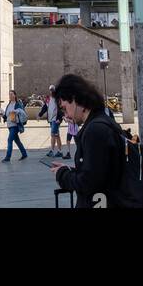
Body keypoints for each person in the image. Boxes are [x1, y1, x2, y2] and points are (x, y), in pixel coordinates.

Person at [51, 74, 126, 209]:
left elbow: (89, 182)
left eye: (64, 108)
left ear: (74, 99)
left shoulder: (95, 130)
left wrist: (62, 175)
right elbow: (99, 171)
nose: (65, 115)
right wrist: (71, 170)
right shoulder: (103, 122)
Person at [1, 90, 29, 161]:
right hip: (9, 125)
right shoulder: (9, 105)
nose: (10, 96)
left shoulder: (17, 104)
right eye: (9, 94)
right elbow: (6, 116)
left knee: (9, 140)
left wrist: (16, 111)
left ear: (15, 95)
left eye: (11, 94)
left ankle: (8, 157)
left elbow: (22, 112)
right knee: (17, 141)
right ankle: (24, 154)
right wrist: (2, 114)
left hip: (15, 125)